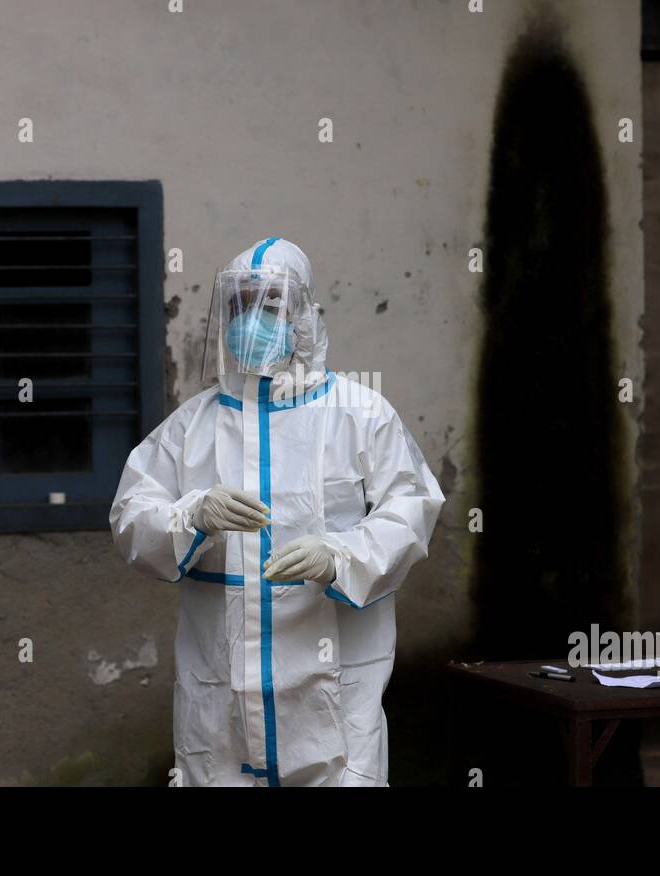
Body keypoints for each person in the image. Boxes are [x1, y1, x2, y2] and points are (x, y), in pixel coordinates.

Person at [110, 237, 444, 786]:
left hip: (331, 686)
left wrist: (340, 555)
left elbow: (412, 508)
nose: (251, 321)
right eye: (240, 306)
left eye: (269, 306)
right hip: (220, 694)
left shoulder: (361, 414)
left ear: (304, 318)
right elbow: (129, 514)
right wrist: (191, 516)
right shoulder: (193, 425)